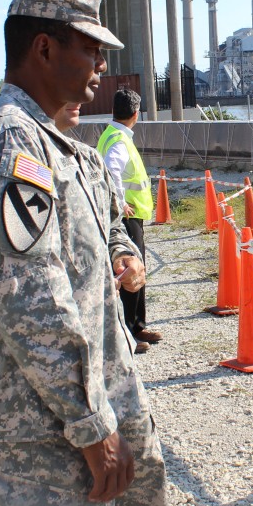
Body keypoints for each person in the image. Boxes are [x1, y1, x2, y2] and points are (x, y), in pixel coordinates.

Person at [0, 0, 185, 506]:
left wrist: (125, 253)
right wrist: (91, 425)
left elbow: (105, 229)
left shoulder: (62, 147)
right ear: (44, 48)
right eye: (91, 49)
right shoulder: (9, 141)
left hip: (96, 388)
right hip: (39, 425)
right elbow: (31, 301)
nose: (101, 66)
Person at [97, 88, 162, 354]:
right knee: (130, 271)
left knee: (132, 270)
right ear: (136, 114)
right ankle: (129, 331)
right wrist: (120, 202)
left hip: (128, 214)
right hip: (127, 216)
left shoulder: (111, 135)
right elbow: (112, 170)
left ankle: (136, 326)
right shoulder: (119, 140)